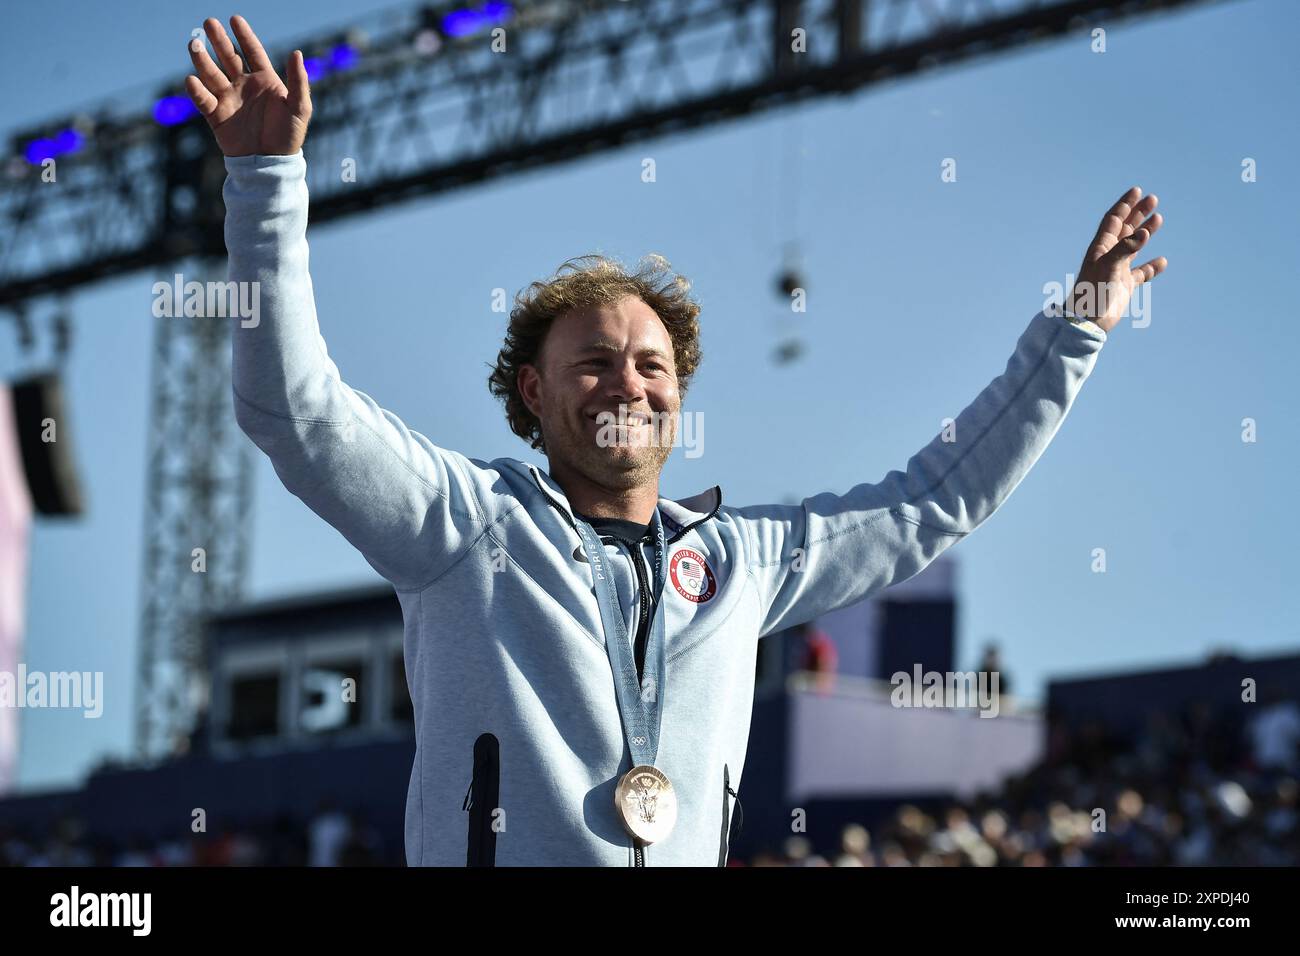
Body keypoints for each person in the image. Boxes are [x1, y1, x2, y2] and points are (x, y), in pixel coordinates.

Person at [183, 15, 1167, 866]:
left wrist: (1076, 327)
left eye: (652, 365)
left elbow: (932, 501)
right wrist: (265, 184)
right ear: (532, 392)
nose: (629, 383)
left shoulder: (743, 563)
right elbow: (294, 411)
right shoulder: (467, 527)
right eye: (594, 362)